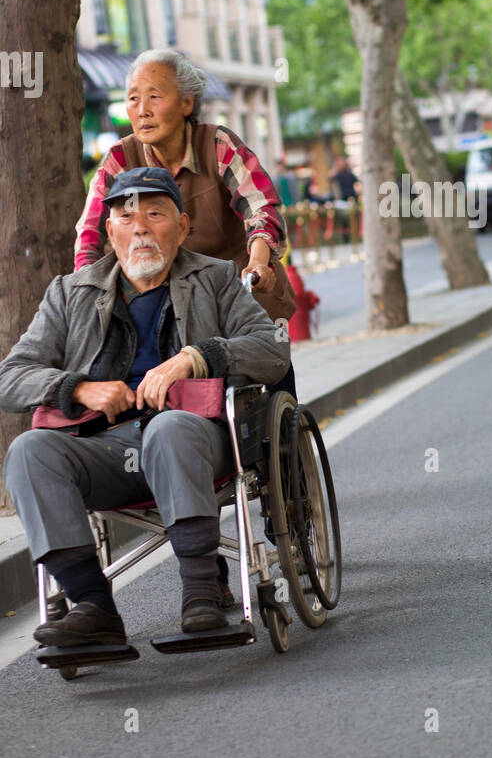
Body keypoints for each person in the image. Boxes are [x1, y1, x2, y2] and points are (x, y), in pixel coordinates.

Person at [0, 168, 292, 647]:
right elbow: (10, 377)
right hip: (104, 448)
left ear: (181, 226)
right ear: (109, 230)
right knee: (29, 451)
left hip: (196, 440)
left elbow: (272, 348)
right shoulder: (68, 292)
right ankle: (93, 606)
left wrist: (197, 357)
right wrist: (77, 389)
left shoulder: (216, 278)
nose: (139, 228)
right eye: (125, 216)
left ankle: (201, 591)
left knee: (170, 429)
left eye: (155, 214)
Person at [74, 49, 295, 328]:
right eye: (133, 99)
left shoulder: (218, 144)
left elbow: (261, 208)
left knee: (262, 363)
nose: (142, 110)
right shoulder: (120, 158)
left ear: (186, 103)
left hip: (245, 298)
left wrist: (259, 263)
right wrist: (86, 290)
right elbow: (89, 234)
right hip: (171, 313)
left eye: (155, 97)